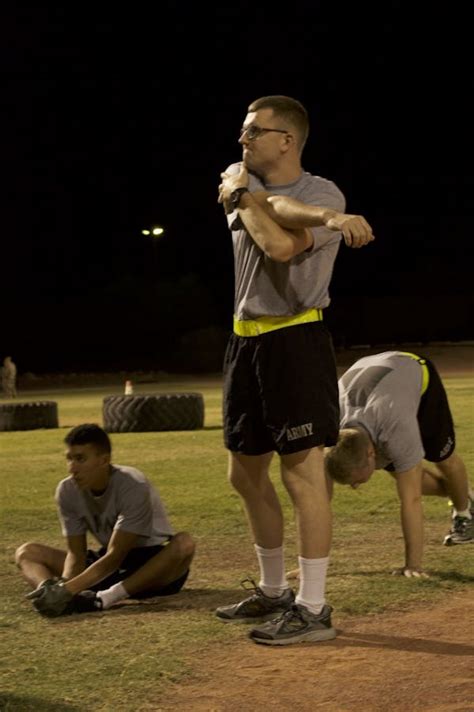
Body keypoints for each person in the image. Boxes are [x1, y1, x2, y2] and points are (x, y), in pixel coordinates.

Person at [215, 95, 375, 645]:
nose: (244, 141)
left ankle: (312, 606)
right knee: (244, 473)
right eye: (243, 131)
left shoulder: (322, 193)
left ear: (288, 139)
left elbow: (279, 242)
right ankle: (273, 589)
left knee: (302, 474)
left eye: (255, 132)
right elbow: (271, 217)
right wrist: (245, 194)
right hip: (244, 342)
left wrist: (322, 213)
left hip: (295, 337)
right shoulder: (239, 182)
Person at [15, 423, 195, 617]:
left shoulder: (133, 484)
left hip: (151, 568)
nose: (72, 468)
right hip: (104, 567)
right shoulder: (67, 490)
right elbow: (76, 554)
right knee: (27, 552)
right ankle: (47, 593)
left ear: (104, 460)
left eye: (80, 459)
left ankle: (105, 598)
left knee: (184, 543)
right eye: (69, 458)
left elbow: (116, 555)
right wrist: (64, 586)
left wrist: (69, 589)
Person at [324, 350, 474, 577]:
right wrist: (311, 563)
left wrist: (413, 565)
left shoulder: (394, 428)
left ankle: (465, 514)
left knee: (441, 458)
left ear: (371, 452)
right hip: (376, 383)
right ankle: (467, 493)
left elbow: (411, 500)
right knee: (406, 473)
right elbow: (318, 502)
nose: (355, 487)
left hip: (414, 373)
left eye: (354, 480)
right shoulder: (329, 428)